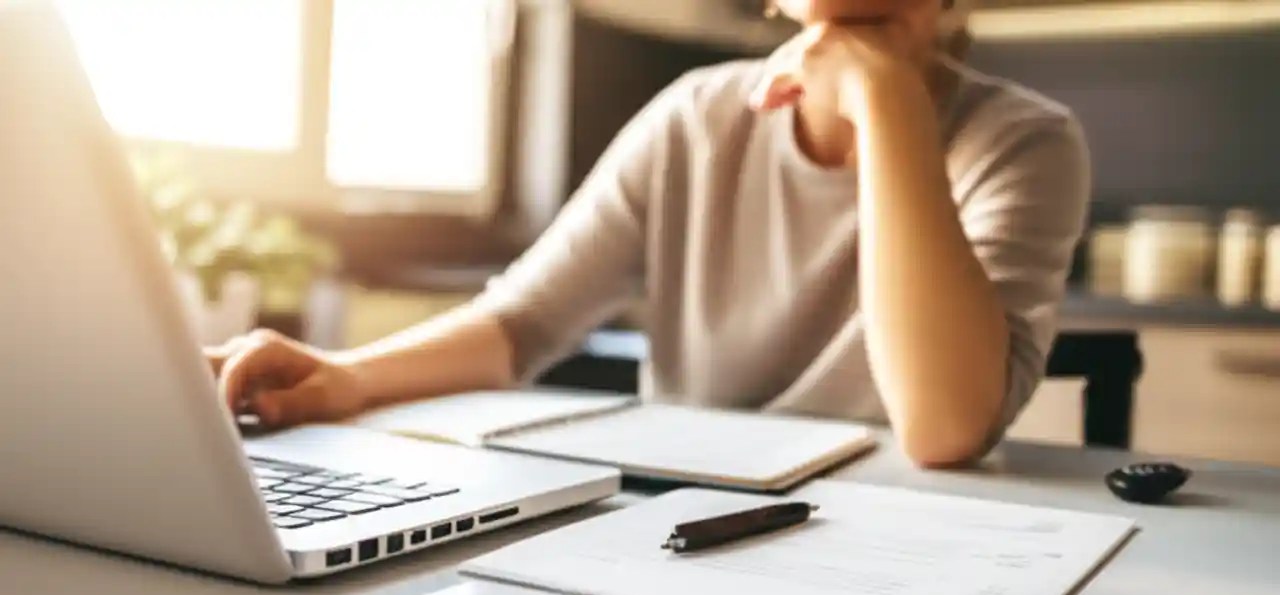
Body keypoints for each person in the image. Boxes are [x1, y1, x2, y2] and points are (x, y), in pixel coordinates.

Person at [208, 0, 1089, 467]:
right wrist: (350, 379)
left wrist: (888, 102)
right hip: (690, 520)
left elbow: (941, 429)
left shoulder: (1024, 142)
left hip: (912, 542)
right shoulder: (696, 120)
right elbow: (523, 323)